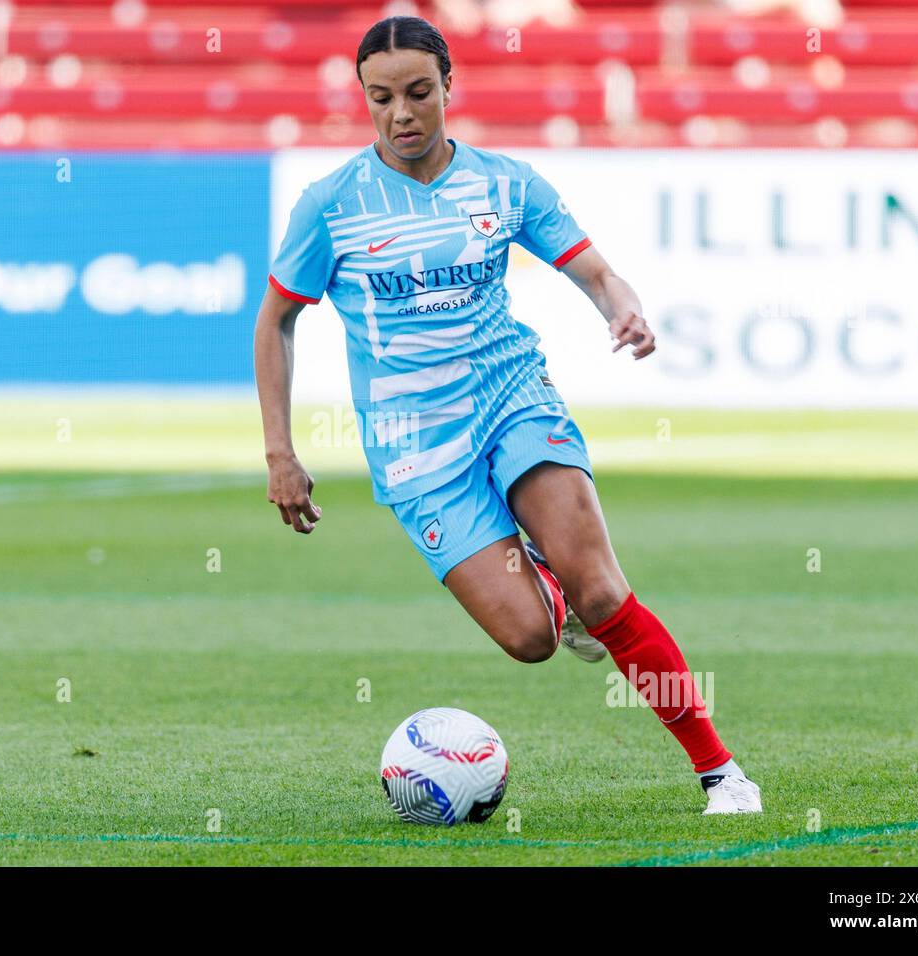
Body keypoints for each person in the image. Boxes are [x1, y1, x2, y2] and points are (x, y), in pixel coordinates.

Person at [253, 15, 761, 814]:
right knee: (529, 638)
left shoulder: (504, 183)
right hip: (413, 440)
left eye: (419, 92)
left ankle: (721, 771)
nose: (402, 114)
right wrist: (280, 452)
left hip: (511, 395)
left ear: (449, 87)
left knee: (604, 591)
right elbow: (275, 321)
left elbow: (596, 271)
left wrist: (620, 310)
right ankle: (548, 584)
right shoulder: (332, 206)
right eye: (381, 98)